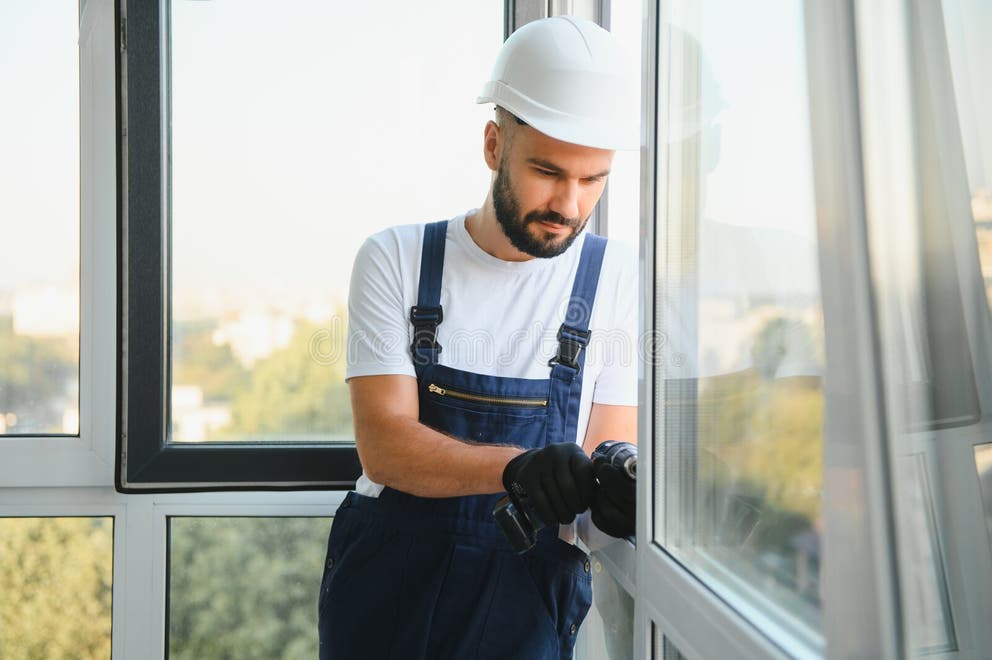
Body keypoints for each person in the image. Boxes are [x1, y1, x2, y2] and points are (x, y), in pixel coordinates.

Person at [317, 15, 639, 660]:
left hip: (526, 595)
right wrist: (517, 469)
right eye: (548, 171)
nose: (570, 206)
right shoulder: (397, 258)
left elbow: (602, 451)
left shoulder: (619, 277)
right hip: (388, 588)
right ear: (494, 145)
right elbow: (384, 445)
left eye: (592, 180)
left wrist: (618, 489)